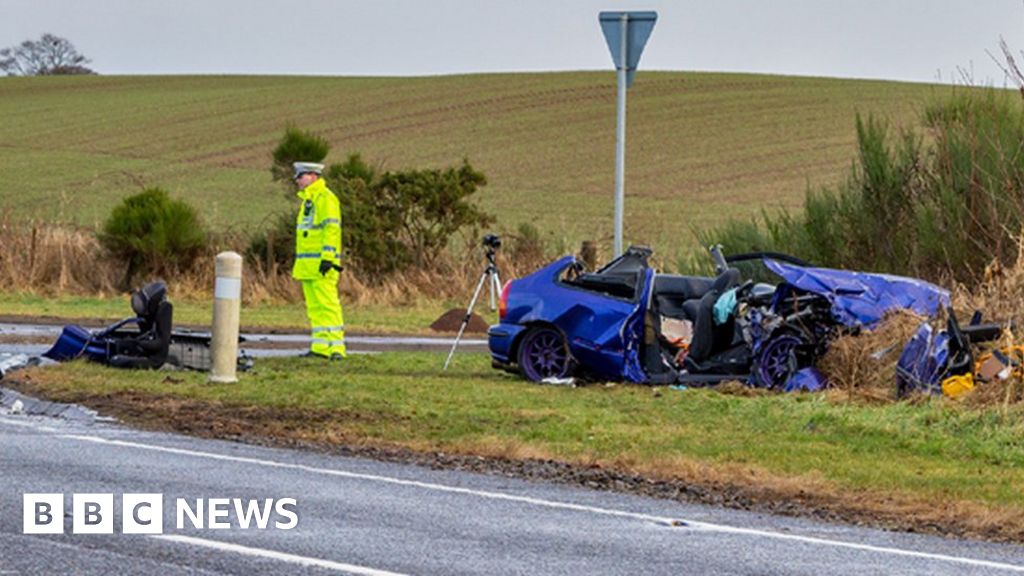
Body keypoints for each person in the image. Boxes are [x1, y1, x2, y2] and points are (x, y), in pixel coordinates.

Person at [292, 161, 346, 360]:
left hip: (322, 265)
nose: (297, 180)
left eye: (301, 176)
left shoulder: (326, 198)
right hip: (308, 266)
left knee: (328, 306)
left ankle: (337, 348)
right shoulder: (309, 200)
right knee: (314, 308)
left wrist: (328, 258)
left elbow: (332, 230)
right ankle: (320, 346)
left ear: (313, 176)